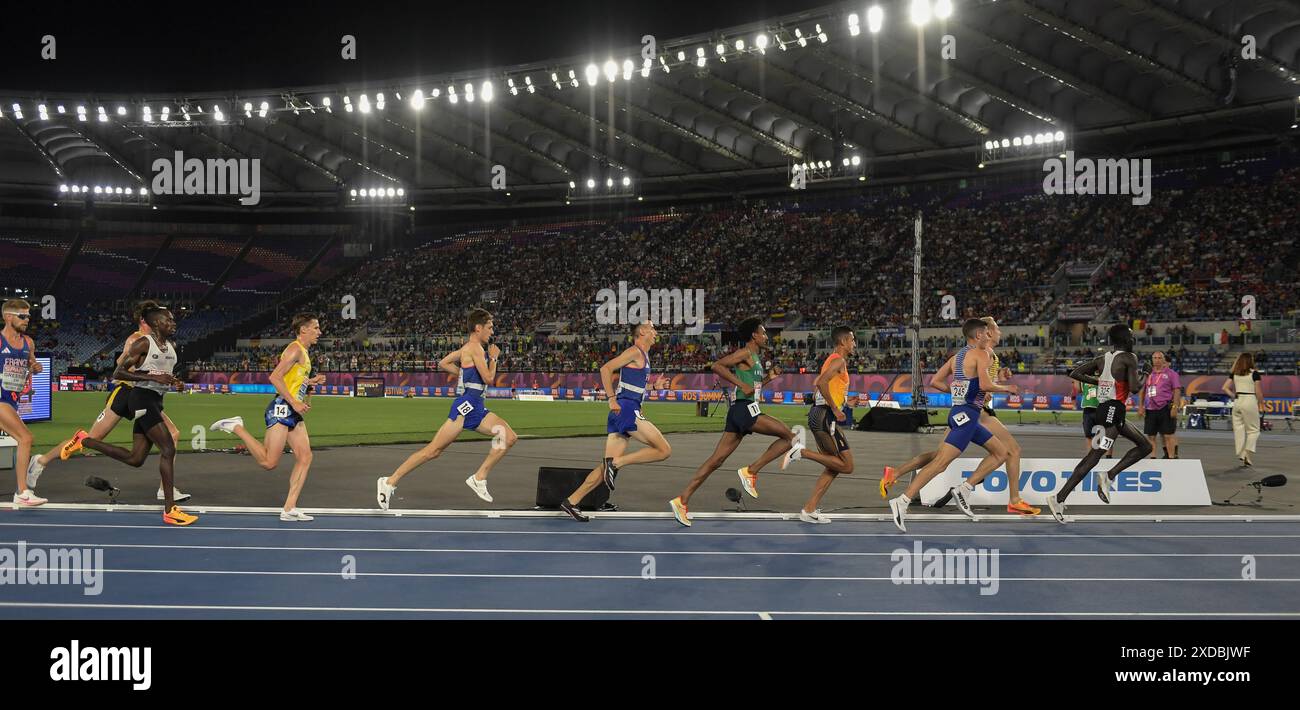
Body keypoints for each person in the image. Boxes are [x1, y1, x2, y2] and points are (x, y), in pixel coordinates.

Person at [670, 318, 849, 527]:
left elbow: (751, 387)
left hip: (741, 411)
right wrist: (738, 383)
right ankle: (751, 471)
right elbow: (717, 366)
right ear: (754, 335)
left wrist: (768, 380)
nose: (766, 337)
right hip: (744, 409)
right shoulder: (746, 353)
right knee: (791, 438)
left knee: (715, 461)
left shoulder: (754, 357)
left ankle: (682, 500)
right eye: (763, 333)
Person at [27, 300, 190, 503]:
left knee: (172, 434)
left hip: (143, 396)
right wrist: (153, 374)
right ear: (146, 320)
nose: (163, 320)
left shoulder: (157, 341)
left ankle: (165, 488)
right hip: (126, 395)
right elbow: (123, 368)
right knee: (92, 438)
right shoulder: (137, 339)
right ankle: (41, 461)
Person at [882, 317, 1039, 515]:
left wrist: (970, 390)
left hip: (964, 412)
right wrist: (1005, 388)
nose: (998, 333)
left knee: (998, 453)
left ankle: (954, 487)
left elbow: (944, 381)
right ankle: (903, 500)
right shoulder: (984, 353)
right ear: (984, 333)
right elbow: (983, 384)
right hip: (971, 413)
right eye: (995, 329)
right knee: (942, 463)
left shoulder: (960, 356)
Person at [63, 306, 196, 525]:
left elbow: (164, 377)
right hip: (141, 399)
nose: (173, 323)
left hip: (155, 400)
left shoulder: (171, 347)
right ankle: (170, 509)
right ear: (155, 324)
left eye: (173, 319)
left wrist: (175, 382)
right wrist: (151, 376)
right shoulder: (143, 343)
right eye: (168, 320)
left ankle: (83, 439)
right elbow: (118, 373)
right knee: (168, 448)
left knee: (136, 459)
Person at [375, 308, 518, 509]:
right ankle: (389, 481)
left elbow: (444, 363)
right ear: (478, 328)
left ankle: (479, 477)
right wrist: (494, 358)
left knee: (508, 437)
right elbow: (488, 378)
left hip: (476, 406)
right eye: (489, 327)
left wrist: (463, 374)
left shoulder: (467, 348)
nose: (492, 332)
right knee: (433, 451)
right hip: (466, 405)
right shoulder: (476, 348)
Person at [210, 313, 326, 521]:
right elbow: (275, 377)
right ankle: (236, 426)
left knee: (305, 457)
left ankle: (289, 508)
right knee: (268, 462)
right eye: (316, 328)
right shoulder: (294, 349)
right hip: (282, 407)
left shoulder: (305, 354)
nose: (320, 332)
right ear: (304, 330)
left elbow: (293, 380)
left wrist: (310, 383)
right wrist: (295, 402)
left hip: (292, 409)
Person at [558, 321, 671, 522]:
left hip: (622, 411)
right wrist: (611, 399)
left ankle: (571, 501)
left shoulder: (642, 355)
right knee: (663, 450)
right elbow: (605, 368)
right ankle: (617, 463)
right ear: (642, 331)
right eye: (651, 328)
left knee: (604, 469)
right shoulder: (635, 351)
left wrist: (654, 388)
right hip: (626, 409)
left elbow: (632, 387)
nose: (655, 332)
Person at [1046, 325, 1153, 523]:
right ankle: (1058, 498)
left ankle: (1108, 475)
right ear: (1124, 338)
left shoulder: (1102, 358)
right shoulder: (1129, 358)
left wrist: (1101, 382)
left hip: (1108, 410)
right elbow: (1136, 388)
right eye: (1131, 335)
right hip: (1112, 410)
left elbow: (1075, 373)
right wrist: (1147, 373)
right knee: (1094, 455)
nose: (1133, 338)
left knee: (1145, 446)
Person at [787, 326, 857, 523]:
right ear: (843, 342)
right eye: (852, 340)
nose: (854, 344)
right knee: (847, 465)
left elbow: (821, 381)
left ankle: (809, 509)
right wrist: (835, 408)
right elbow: (821, 383)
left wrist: (845, 402)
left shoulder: (832, 359)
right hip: (825, 416)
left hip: (821, 414)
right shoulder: (838, 360)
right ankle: (801, 452)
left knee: (834, 465)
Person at [1, 299, 46, 507]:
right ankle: (22, 492)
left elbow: (32, 363)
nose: (27, 320)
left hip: (12, 400)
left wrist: (35, 366)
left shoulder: (28, 342)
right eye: (22, 316)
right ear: (8, 316)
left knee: (24, 439)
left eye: (28, 316)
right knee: (25, 437)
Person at [1222, 353, 1263, 466]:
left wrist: (1233, 395)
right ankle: (1245, 452)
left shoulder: (1234, 373)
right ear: (1250, 361)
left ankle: (1244, 455)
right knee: (1254, 430)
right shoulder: (1254, 374)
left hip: (1238, 401)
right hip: (1249, 400)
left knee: (1239, 429)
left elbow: (1224, 387)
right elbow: (1258, 392)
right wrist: (1261, 403)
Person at [1140, 351, 1182, 458]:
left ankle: (1171, 458)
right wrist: (1141, 406)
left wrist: (1175, 407)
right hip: (1150, 409)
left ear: (1164, 360)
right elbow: (1143, 391)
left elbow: (1177, 391)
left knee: (1168, 435)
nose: (1157, 360)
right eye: (1155, 358)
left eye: (1159, 358)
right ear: (1152, 360)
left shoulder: (1171, 374)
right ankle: (1153, 458)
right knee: (1151, 436)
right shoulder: (1148, 374)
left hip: (1165, 408)